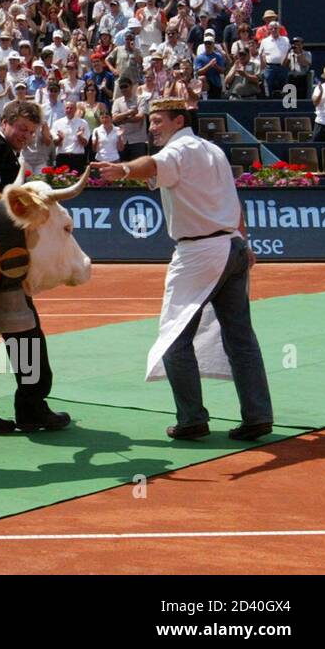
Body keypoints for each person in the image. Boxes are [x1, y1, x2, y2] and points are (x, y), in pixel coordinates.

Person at [93, 99, 273, 441]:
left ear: (179, 120)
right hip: (232, 247)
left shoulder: (181, 150)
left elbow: (151, 164)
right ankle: (258, 415)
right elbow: (233, 201)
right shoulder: (213, 150)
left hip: (200, 252)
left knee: (174, 338)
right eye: (151, 122)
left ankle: (192, 419)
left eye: (158, 121)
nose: (152, 128)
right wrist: (245, 242)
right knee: (241, 338)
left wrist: (123, 170)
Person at [0, 100, 71, 435]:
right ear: (5, 123)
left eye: (31, 132)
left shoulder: (2, 151)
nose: (25, 136)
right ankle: (31, 408)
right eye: (21, 129)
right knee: (25, 332)